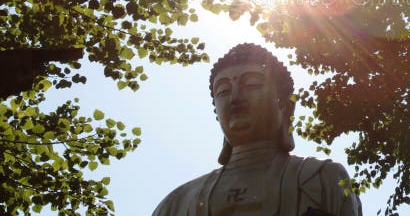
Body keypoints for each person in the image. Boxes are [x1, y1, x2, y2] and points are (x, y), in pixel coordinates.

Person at [153, 43, 363, 216]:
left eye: (252, 85)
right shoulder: (177, 202)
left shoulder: (321, 179)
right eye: (223, 91)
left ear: (285, 106)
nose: (235, 99)